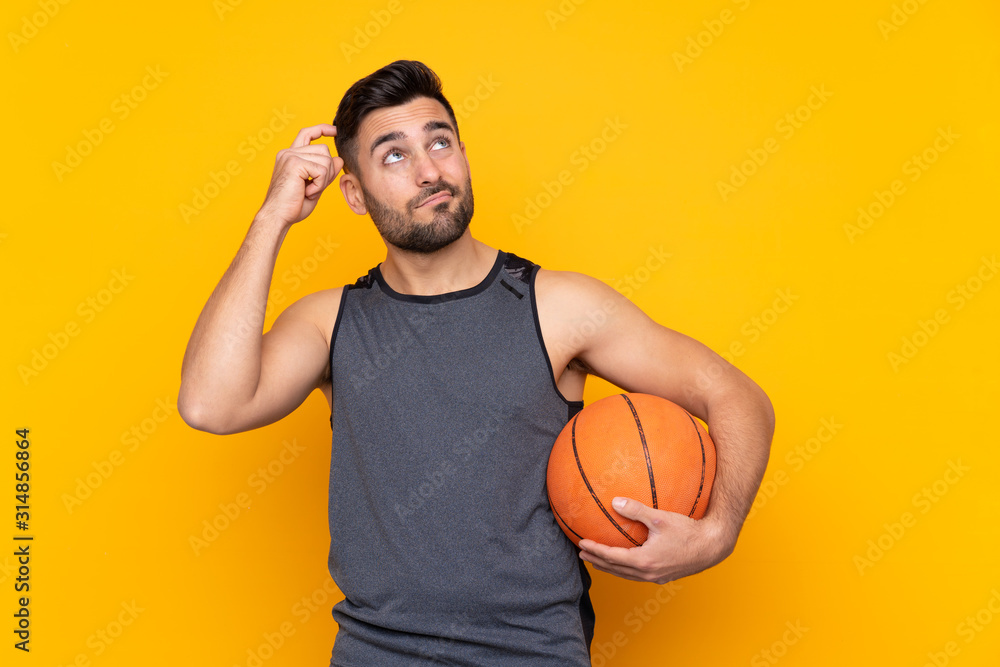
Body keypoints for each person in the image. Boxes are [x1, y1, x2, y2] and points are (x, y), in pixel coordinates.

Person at [178, 60, 774, 665]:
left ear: (462, 152)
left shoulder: (558, 306)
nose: (429, 170)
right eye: (393, 156)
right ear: (352, 194)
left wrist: (716, 533)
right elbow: (210, 404)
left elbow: (735, 396)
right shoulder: (330, 324)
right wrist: (271, 218)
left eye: (439, 142)